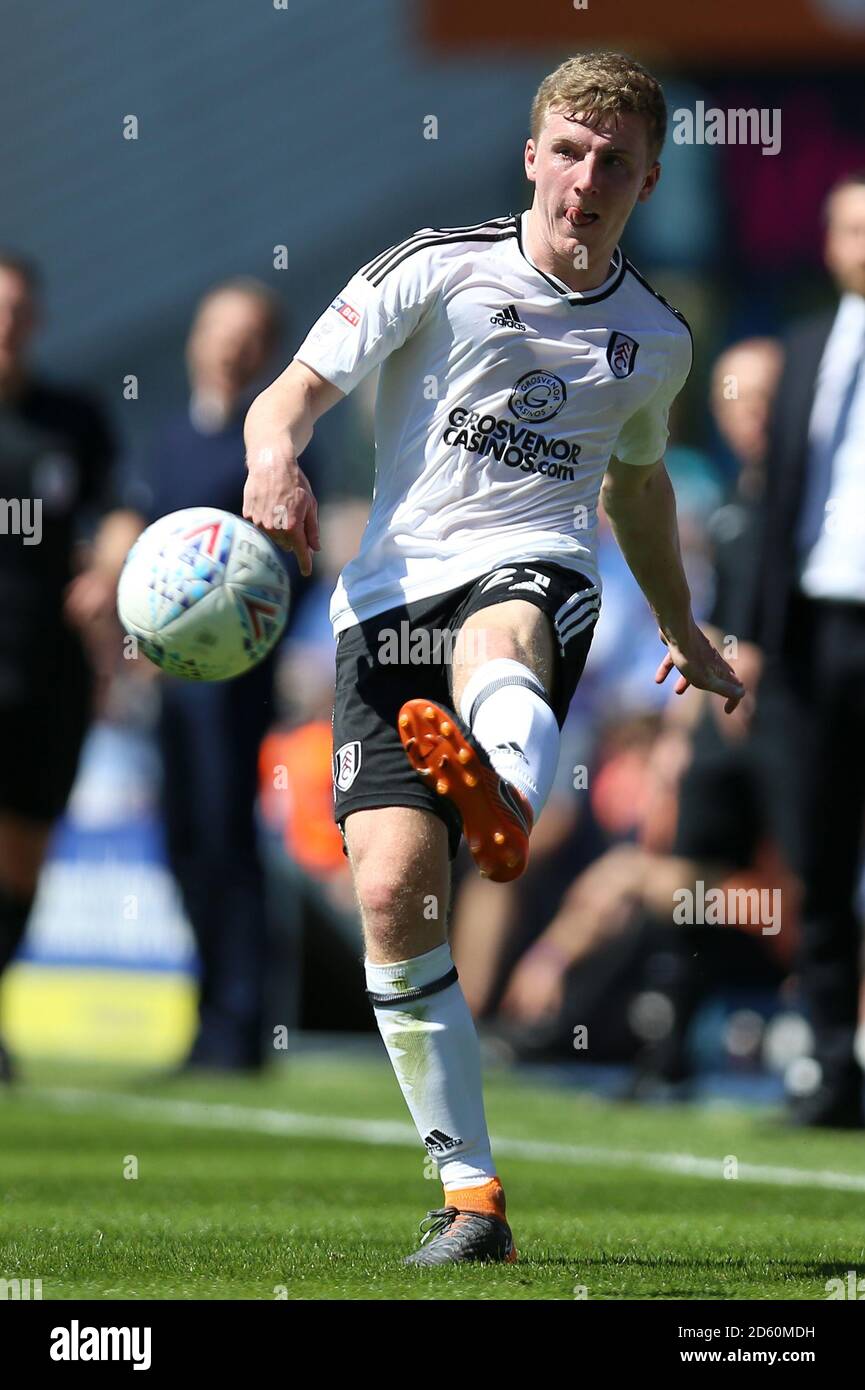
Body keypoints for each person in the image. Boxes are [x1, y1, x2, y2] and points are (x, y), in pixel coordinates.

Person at [243, 51, 744, 1266]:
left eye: (613, 162)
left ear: (645, 178)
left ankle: (504, 796)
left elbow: (636, 496)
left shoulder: (654, 340)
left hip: (536, 574)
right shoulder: (435, 269)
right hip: (382, 609)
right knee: (390, 901)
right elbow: (291, 394)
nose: (586, 179)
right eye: (568, 152)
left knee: (504, 635)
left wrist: (681, 630)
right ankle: (471, 1200)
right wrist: (274, 463)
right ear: (532, 156)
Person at [72, 278, 319, 1071]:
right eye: (218, 328)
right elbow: (140, 542)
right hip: (167, 687)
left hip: (234, 684)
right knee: (182, 841)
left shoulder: (271, 448)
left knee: (226, 838)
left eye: (247, 334)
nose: (229, 345)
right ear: (195, 337)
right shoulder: (171, 438)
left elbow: (296, 560)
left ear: (266, 350)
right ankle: (209, 1010)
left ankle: (242, 1024)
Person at [747, 173, 865, 1128]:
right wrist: (745, 635)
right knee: (815, 858)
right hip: (810, 635)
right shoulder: (801, 351)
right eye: (850, 228)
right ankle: (832, 1065)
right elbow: (771, 504)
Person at [0, 253, 116, 1080]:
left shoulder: (70, 419)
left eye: (17, 310)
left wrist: (110, 566)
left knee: (25, 851)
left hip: (46, 672)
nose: (6, 323)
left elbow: (119, 509)